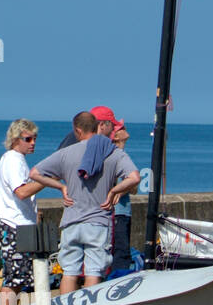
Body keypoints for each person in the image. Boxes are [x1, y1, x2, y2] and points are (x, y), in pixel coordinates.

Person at [29, 111, 140, 295]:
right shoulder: (113, 153)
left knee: (70, 272)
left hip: (71, 219)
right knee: (94, 272)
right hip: (98, 221)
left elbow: (34, 173)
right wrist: (114, 190)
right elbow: (134, 177)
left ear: (77, 130)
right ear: (97, 127)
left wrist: (60, 187)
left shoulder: (66, 153)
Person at [0, 119, 45, 305]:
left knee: (19, 279)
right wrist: (47, 180)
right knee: (13, 280)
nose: (32, 142)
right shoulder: (13, 160)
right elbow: (22, 192)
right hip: (14, 227)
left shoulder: (17, 160)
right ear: (15, 139)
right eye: (28, 138)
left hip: (21, 226)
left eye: (34, 138)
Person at [108, 124, 136, 275]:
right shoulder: (116, 156)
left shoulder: (124, 155)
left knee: (122, 250)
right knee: (120, 252)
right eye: (121, 128)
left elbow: (134, 187)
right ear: (116, 136)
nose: (125, 129)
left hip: (124, 211)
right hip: (117, 212)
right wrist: (124, 188)